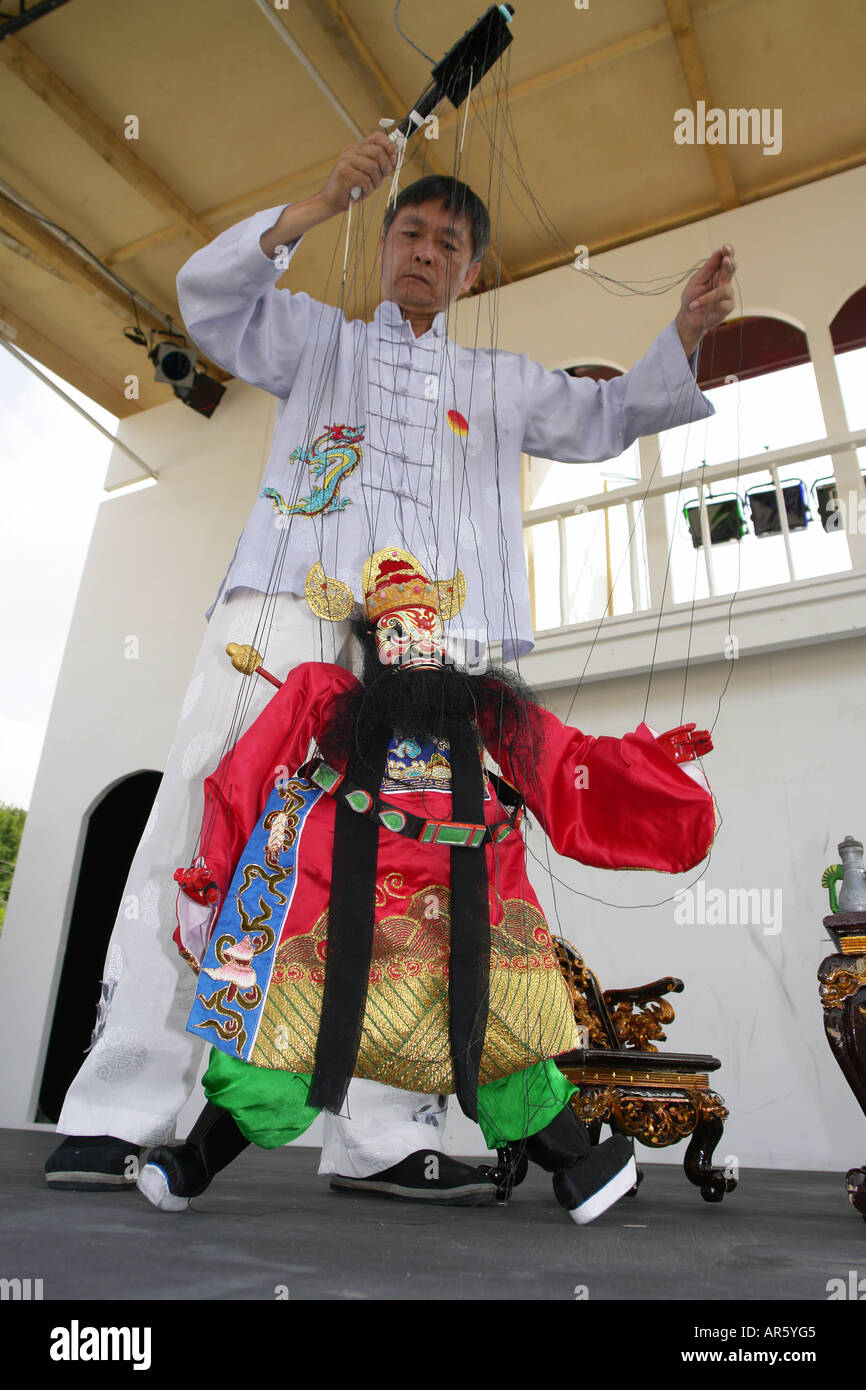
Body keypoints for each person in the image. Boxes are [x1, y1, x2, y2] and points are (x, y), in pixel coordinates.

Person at [45, 130, 735, 1196]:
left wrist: (679, 336)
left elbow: (606, 416)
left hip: (433, 645)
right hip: (287, 598)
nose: (424, 250)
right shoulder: (312, 341)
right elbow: (208, 300)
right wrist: (313, 204)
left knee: (425, 862)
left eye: (449, 241)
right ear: (384, 246)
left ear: (471, 271)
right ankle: (119, 1106)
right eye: (409, 231)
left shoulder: (495, 380)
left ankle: (384, 1134)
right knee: (208, 817)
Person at [136, 546, 716, 1222]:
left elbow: (570, 769)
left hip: (467, 906)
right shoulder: (326, 694)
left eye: (425, 629)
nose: (413, 643)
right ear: (372, 643)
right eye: (394, 631)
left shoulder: (486, 708)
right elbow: (246, 773)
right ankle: (196, 1160)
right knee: (286, 1036)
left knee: (507, 1037)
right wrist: (214, 872)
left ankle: (579, 1167)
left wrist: (652, 768)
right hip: (331, 899)